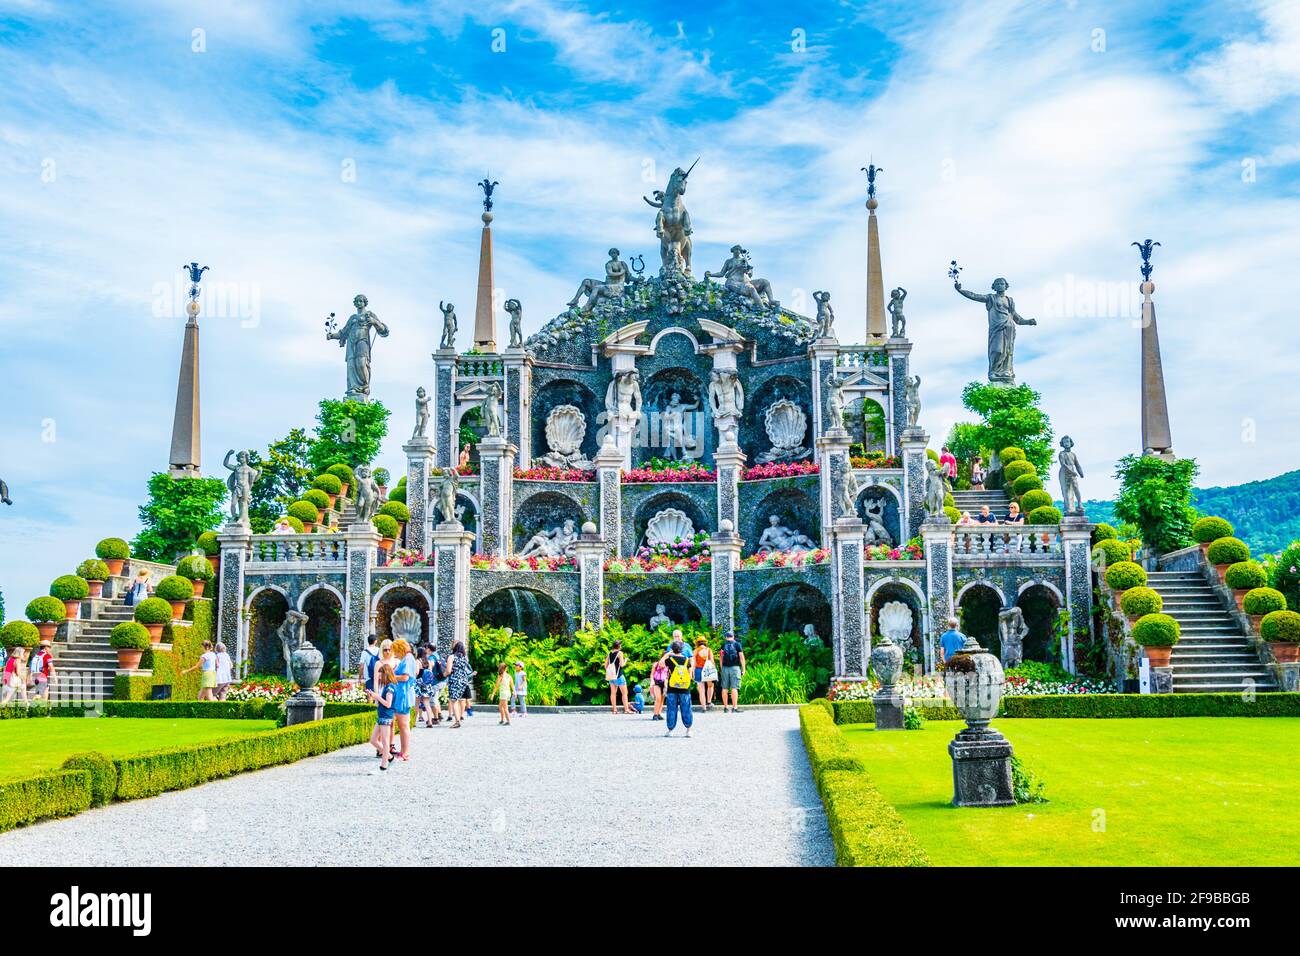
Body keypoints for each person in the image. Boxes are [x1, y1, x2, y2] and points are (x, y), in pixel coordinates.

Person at [658, 638, 694, 737]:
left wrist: (667, 654)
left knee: (671, 708)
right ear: (682, 649)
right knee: (686, 708)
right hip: (685, 688)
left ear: (672, 649)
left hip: (672, 688)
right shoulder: (687, 660)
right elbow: (690, 675)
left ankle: (670, 730)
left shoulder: (670, 660)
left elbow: (660, 664)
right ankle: (689, 730)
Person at [390, 639, 416, 761]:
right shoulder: (408, 658)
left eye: (396, 651)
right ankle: (403, 752)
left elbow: (405, 677)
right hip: (403, 694)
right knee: (403, 725)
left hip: (403, 695)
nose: (395, 654)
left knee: (403, 725)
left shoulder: (407, 659)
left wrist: (391, 676)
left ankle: (405, 753)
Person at [369, 662, 397, 773]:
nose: (379, 677)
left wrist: (377, 697)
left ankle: (383, 766)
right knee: (373, 740)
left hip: (386, 716)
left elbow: (388, 704)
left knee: (385, 742)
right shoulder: (388, 686)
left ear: (386, 674)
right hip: (382, 716)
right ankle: (389, 757)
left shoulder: (390, 687)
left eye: (381, 675)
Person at [445, 641, 473, 728]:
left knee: (454, 701)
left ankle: (457, 721)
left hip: (454, 681)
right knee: (461, 700)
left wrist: (443, 674)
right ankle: (460, 717)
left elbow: (448, 671)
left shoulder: (451, 657)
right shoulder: (465, 657)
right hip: (463, 681)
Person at [718, 633, 746, 713]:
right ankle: (734, 708)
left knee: (724, 688)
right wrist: (743, 669)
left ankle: (726, 708)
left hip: (725, 668)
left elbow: (721, 658)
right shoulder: (737, 644)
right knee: (734, 688)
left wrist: (721, 668)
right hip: (735, 668)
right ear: (733, 636)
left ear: (726, 637)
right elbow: (741, 658)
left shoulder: (723, 645)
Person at [605, 640, 633, 714]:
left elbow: (605, 666)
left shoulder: (609, 654)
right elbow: (622, 665)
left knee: (613, 693)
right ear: (619, 646)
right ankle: (626, 709)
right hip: (619, 676)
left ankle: (614, 710)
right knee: (624, 693)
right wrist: (625, 660)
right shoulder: (620, 653)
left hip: (611, 676)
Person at [692, 637, 717, 711]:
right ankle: (709, 702)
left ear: (697, 643)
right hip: (708, 670)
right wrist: (714, 670)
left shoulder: (695, 651)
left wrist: (692, 673)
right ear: (705, 642)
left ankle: (704, 708)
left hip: (699, 670)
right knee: (710, 686)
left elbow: (694, 663)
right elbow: (712, 661)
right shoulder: (709, 650)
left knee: (701, 690)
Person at [415, 647, 438, 727]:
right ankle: (430, 722)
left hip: (419, 684)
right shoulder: (429, 661)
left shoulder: (417, 661)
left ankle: (413, 722)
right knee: (427, 704)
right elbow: (430, 673)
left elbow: (417, 673)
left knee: (416, 704)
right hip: (427, 685)